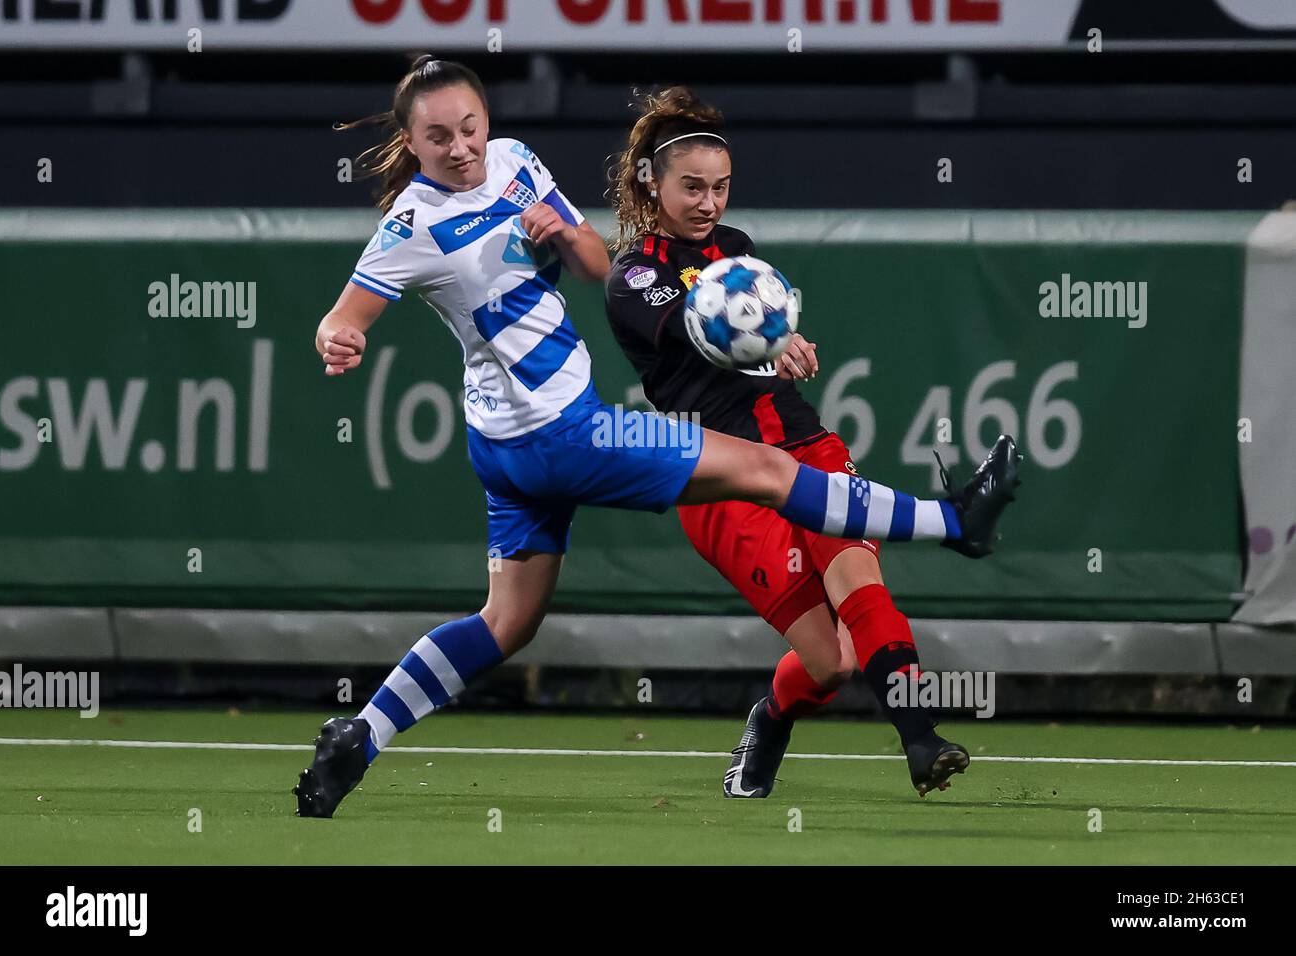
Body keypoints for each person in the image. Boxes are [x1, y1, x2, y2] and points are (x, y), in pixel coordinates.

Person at [294, 57, 1020, 818]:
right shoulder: (409, 225)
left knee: (505, 622)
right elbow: (345, 314)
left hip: (503, 445)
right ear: (411, 141)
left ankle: (360, 735)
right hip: (561, 432)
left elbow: (590, 259)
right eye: (438, 136)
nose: (461, 146)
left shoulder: (514, 162)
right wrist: (339, 337)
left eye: (469, 126)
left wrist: (563, 231)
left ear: (486, 120)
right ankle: (956, 521)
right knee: (771, 472)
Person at [604, 87, 1018, 797]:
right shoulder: (634, 276)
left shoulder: (735, 249)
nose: (709, 203)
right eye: (692, 188)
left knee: (860, 580)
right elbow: (707, 330)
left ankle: (921, 738)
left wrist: (784, 341)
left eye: (721, 187)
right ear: (652, 182)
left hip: (803, 445)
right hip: (721, 478)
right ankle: (770, 717)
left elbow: (747, 322)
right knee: (831, 663)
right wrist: (774, 335)